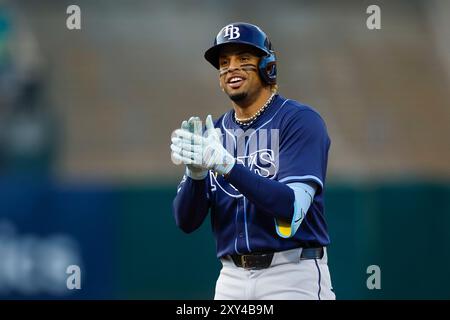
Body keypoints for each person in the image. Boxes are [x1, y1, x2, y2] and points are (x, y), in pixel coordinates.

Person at [171, 22, 335, 300]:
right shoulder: (215, 132)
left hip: (292, 273)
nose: (231, 67)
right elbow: (185, 221)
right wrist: (195, 174)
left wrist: (229, 167)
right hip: (231, 278)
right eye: (224, 62)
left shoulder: (299, 120)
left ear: (267, 66)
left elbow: (291, 207)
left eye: (244, 59)